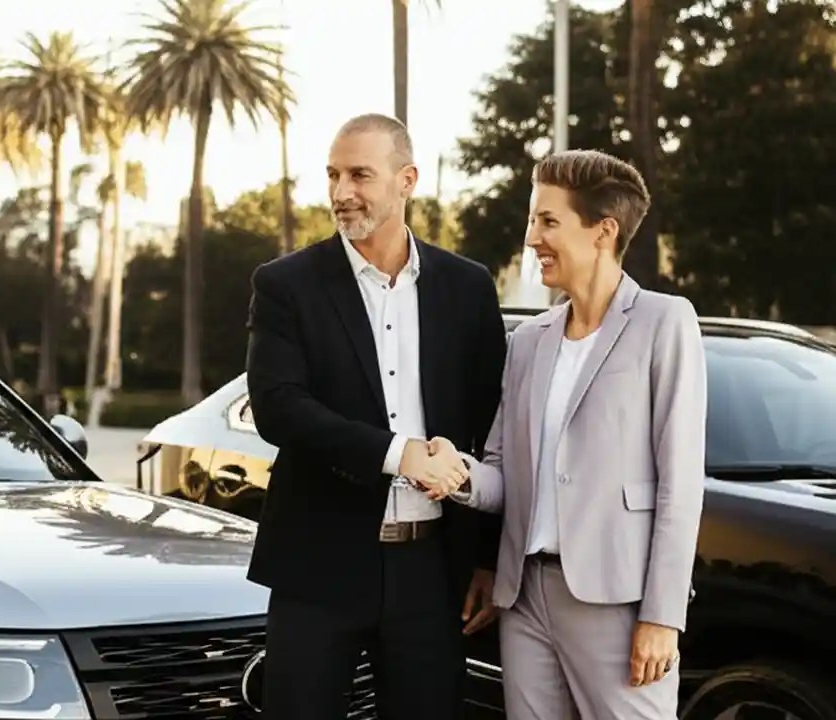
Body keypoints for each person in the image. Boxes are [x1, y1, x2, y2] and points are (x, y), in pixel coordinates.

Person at [243, 112, 508, 720]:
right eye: (333, 175)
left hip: (431, 568)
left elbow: (496, 430)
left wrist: (490, 559)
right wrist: (398, 454)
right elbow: (280, 409)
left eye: (360, 175)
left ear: (406, 180)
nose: (342, 193)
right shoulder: (286, 284)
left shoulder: (466, 288)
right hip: (317, 564)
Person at [428, 149, 707, 718]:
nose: (532, 237)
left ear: (603, 231)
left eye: (548, 221)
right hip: (525, 597)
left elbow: (681, 482)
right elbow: (504, 473)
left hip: (617, 602)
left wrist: (662, 615)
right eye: (533, 220)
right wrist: (454, 471)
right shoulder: (530, 340)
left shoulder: (665, 321)